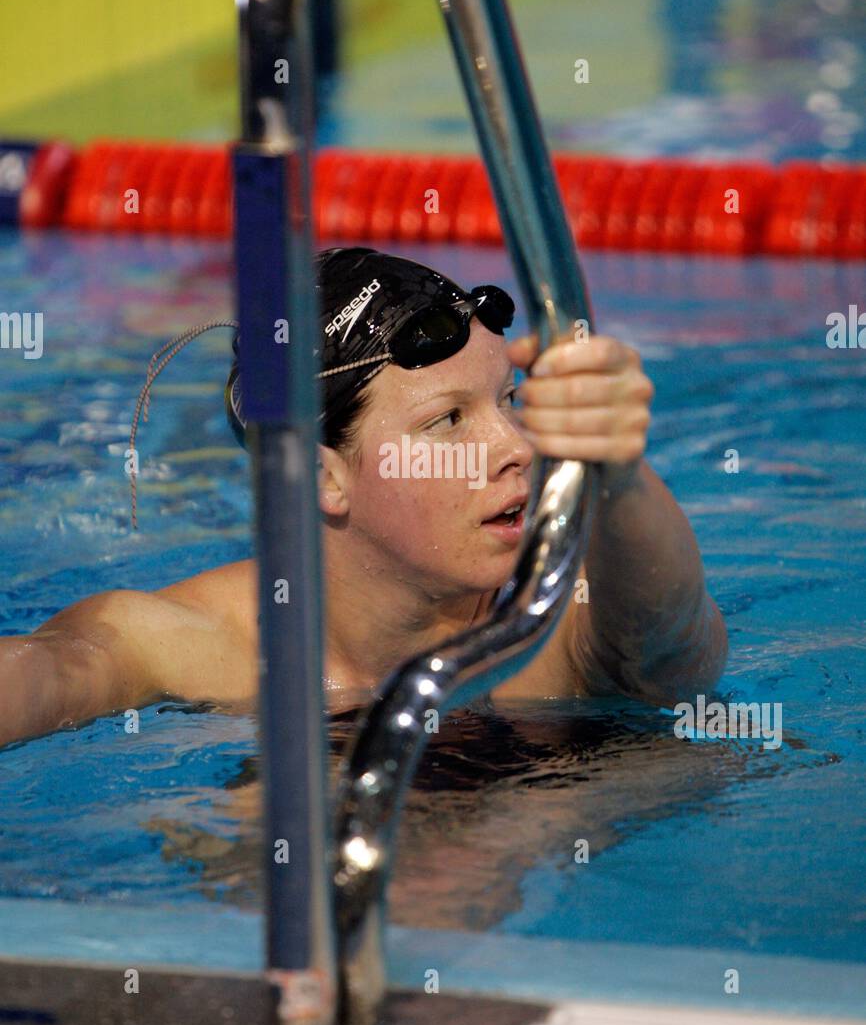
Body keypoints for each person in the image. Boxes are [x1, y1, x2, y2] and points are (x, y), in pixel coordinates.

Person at [0, 246, 727, 748]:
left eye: (509, 400)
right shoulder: (179, 644)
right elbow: (53, 676)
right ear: (321, 475)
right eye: (448, 420)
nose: (516, 447)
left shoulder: (548, 624)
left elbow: (673, 645)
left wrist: (623, 475)